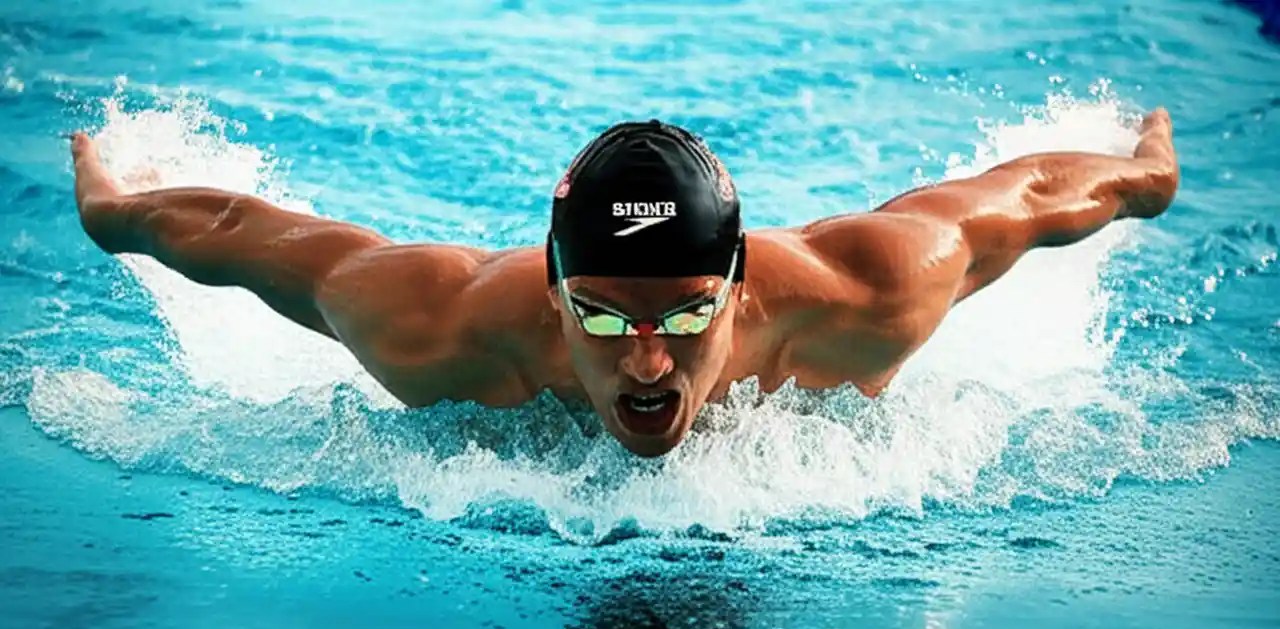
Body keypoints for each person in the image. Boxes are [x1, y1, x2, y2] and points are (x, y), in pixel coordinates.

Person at [70, 110, 1179, 457]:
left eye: (682, 313)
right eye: (601, 314)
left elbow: (1023, 197)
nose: (645, 359)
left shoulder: (863, 294)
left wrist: (1139, 176)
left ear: (738, 289)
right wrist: (119, 212)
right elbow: (249, 234)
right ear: (550, 293)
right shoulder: (432, 323)